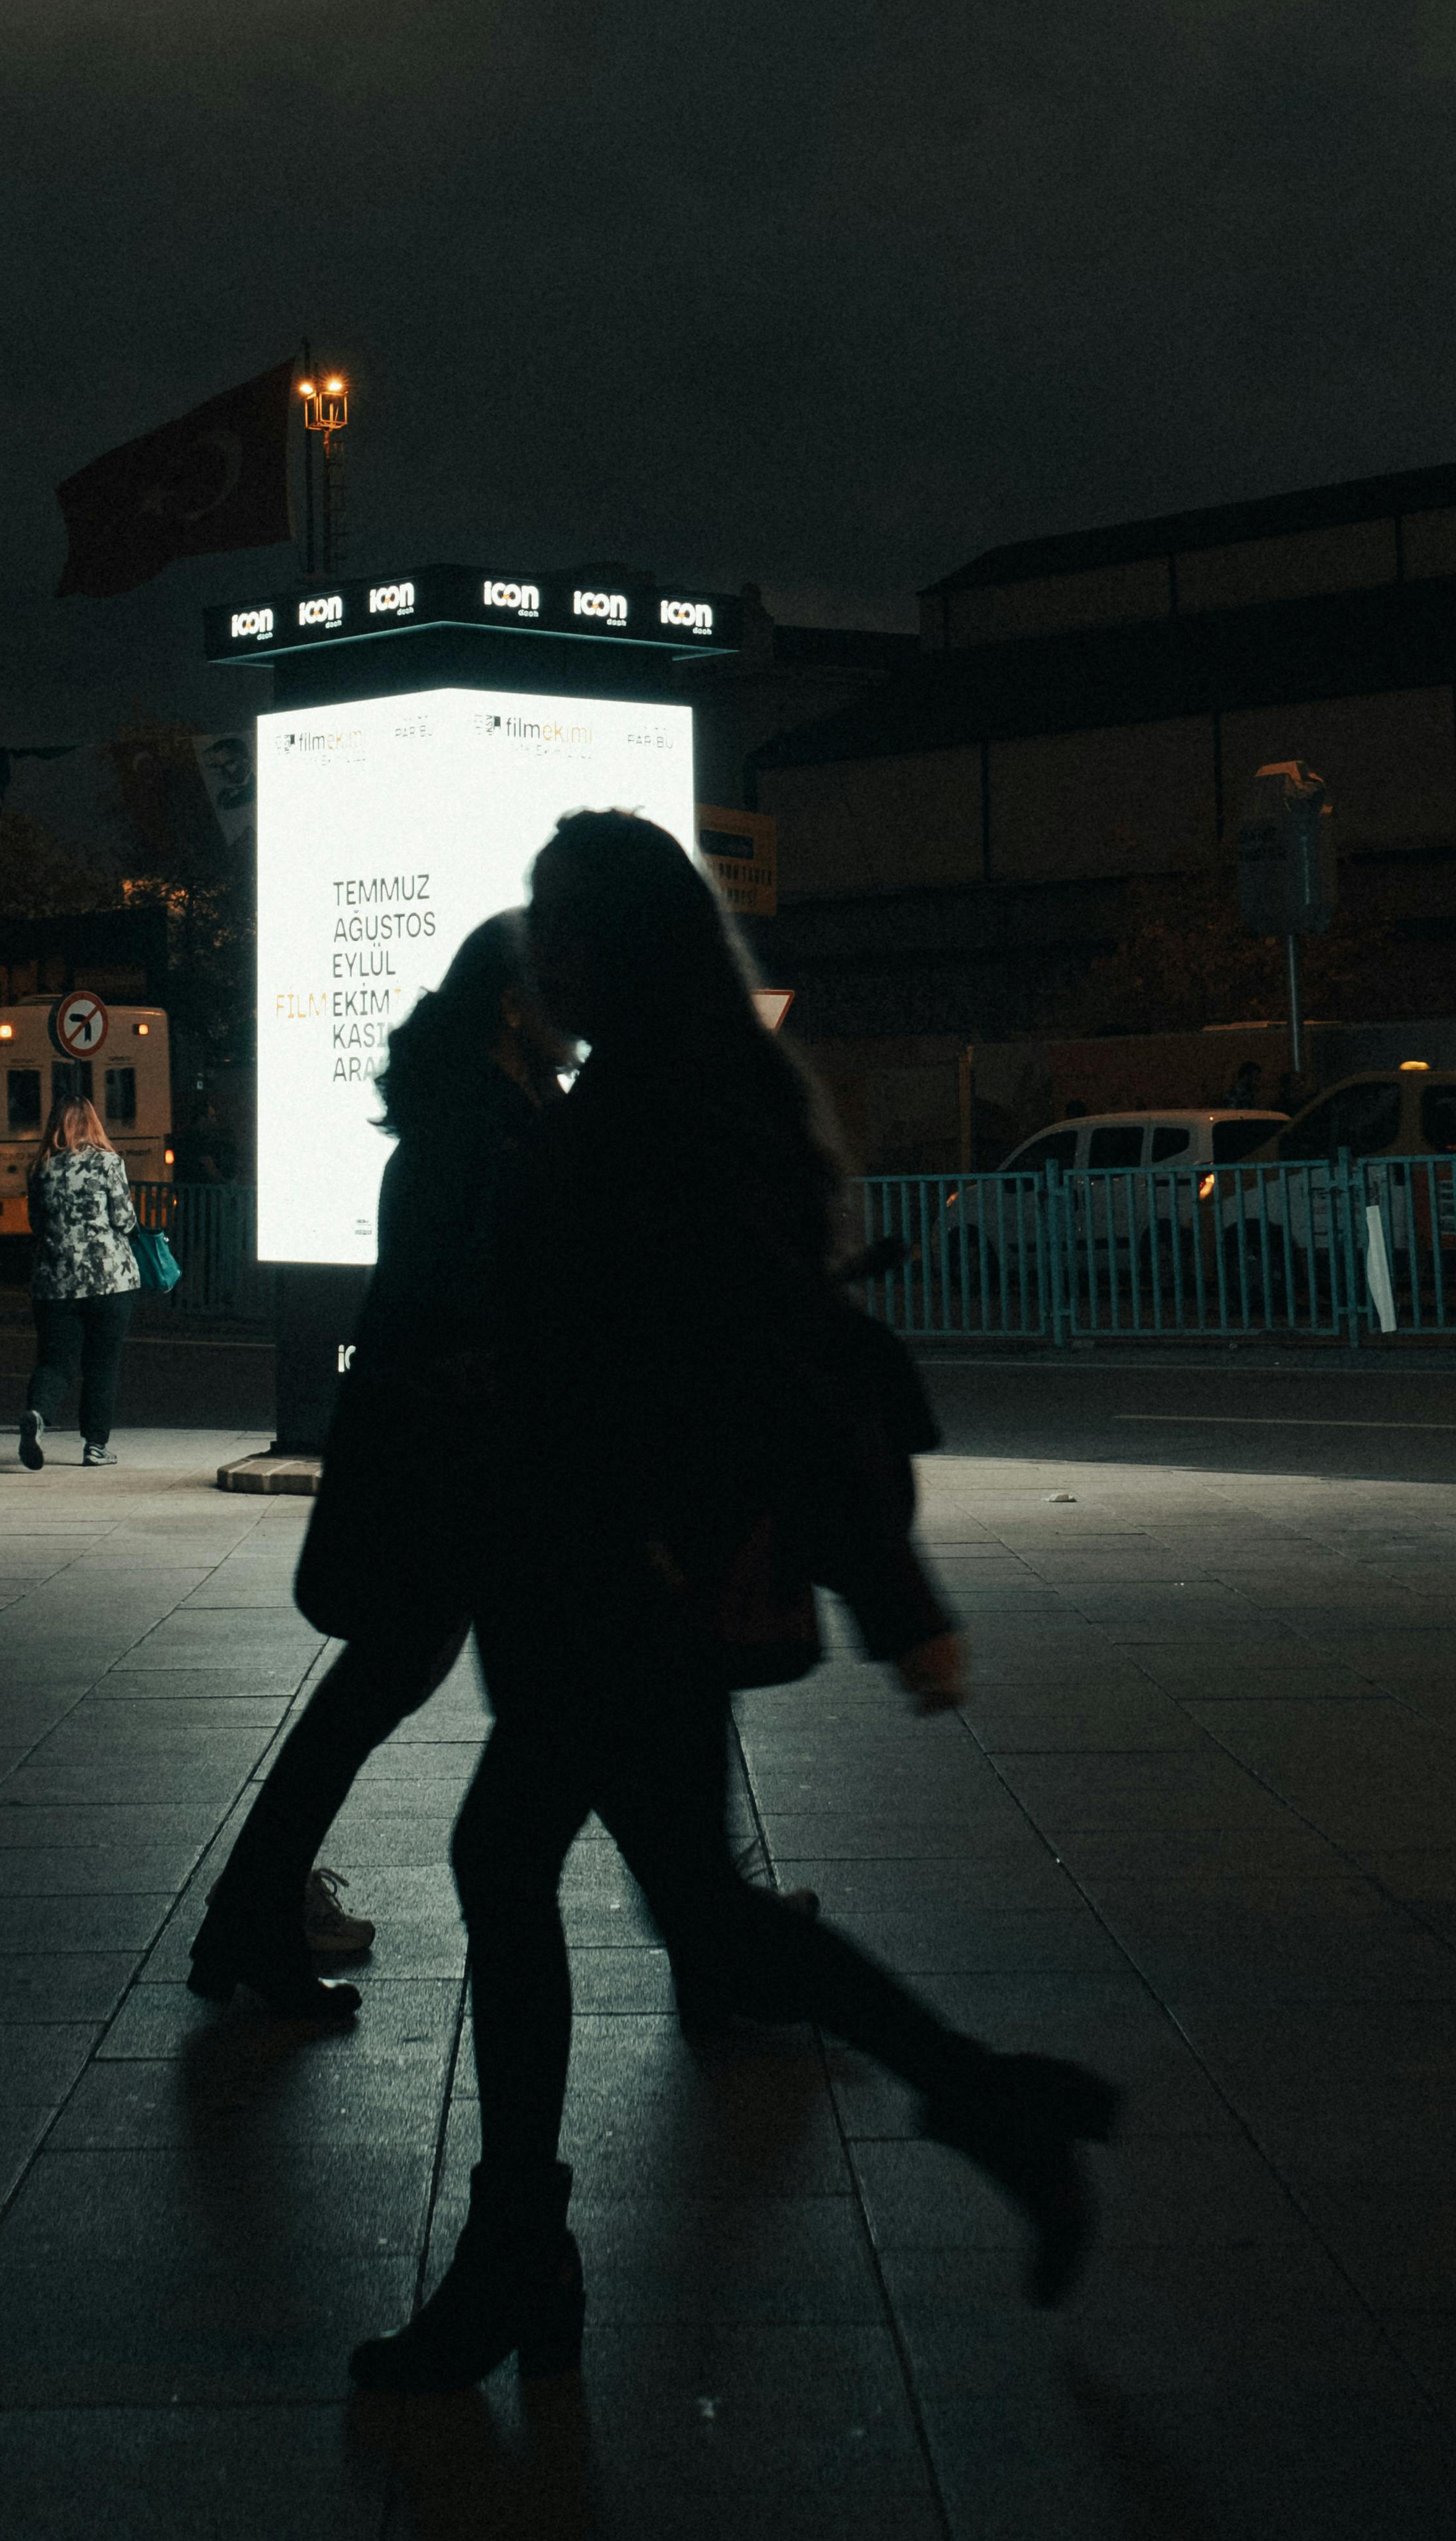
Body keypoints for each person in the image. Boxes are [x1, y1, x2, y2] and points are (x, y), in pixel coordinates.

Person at [348, 809, 1120, 2398]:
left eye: (562, 922)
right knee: (700, 1913)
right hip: (607, 1569)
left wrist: (898, 1597)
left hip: (631, 1576)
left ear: (621, 941)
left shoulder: (675, 1106)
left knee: (512, 1858)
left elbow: (776, 1356)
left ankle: (518, 2253)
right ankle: (988, 2107)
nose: (540, 949)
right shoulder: (647, 1087)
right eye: (535, 920)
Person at [189, 913, 564, 2021]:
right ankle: (246, 1923)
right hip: (449, 1481)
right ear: (509, 1001)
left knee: (363, 1706)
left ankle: (244, 1922)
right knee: (374, 1707)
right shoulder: (480, 1136)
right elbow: (477, 1316)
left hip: (437, 1474)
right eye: (557, 983)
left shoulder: (478, 1122)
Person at [18, 1086, 138, 1468]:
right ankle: (95, 1446)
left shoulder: (40, 1169)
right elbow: (124, 1219)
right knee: (102, 1364)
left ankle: (37, 1414)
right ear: (93, 1123)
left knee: (55, 1360)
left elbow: (36, 1225)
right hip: (110, 1279)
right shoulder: (108, 1162)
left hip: (54, 1281)